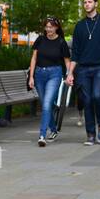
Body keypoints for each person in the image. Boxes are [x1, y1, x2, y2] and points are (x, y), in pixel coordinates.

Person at [67, 0, 100, 145]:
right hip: (83, 69)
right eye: (85, 2)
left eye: (90, 2)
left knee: (96, 96)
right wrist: (70, 73)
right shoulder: (79, 26)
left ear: (96, 4)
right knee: (87, 100)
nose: (87, 4)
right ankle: (90, 134)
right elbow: (75, 52)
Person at [29, 16, 70, 146]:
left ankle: (42, 135)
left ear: (56, 27)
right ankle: (53, 129)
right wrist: (31, 76)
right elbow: (34, 58)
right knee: (46, 104)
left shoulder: (61, 42)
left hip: (55, 74)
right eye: (46, 27)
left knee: (46, 104)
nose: (48, 29)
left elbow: (67, 61)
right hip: (39, 74)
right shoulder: (40, 40)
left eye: (51, 27)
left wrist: (70, 75)